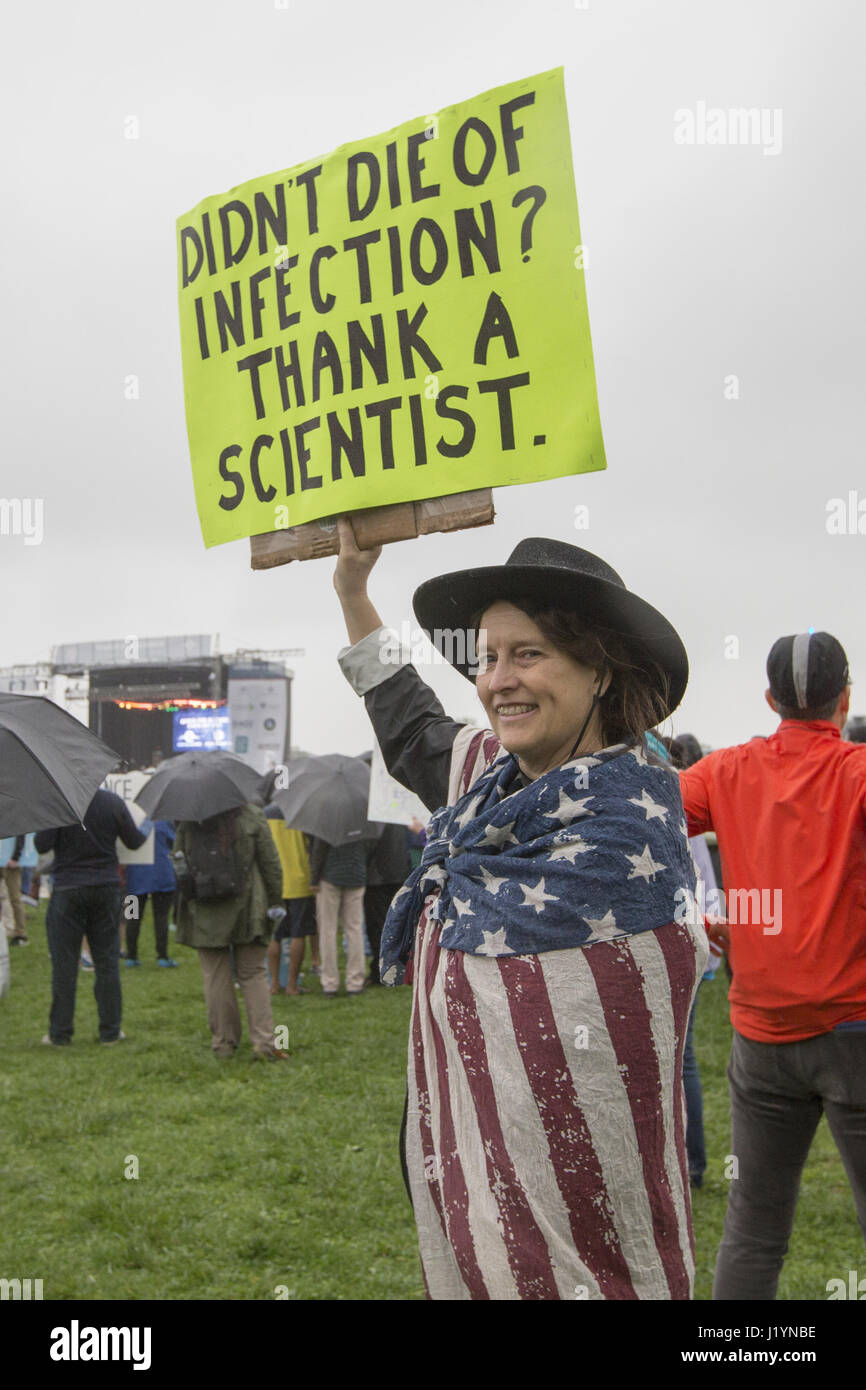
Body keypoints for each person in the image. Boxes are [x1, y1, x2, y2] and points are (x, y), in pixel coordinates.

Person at [332, 522, 708, 1300]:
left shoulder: (626, 832)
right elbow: (410, 726)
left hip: (585, 1247)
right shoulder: (491, 784)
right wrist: (352, 592)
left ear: (599, 669)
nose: (498, 679)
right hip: (468, 1201)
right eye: (489, 657)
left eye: (527, 653)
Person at [679, 631, 866, 1301]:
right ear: (843, 701)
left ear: (770, 700)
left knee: (755, 1229)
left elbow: (641, 826)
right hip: (854, 1030)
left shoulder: (725, 770)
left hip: (761, 1039)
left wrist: (692, 917)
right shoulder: (856, 772)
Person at [173, 803, 288, 1060]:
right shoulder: (252, 815)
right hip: (249, 907)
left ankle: (223, 1044)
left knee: (216, 979)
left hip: (205, 910)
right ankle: (265, 1044)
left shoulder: (189, 820)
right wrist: (276, 900)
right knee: (254, 974)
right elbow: (271, 863)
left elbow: (178, 862)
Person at [34, 789, 147, 1045]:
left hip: (68, 888)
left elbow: (42, 844)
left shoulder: (61, 802)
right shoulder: (113, 802)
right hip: (106, 886)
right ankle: (110, 1031)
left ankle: (60, 1033)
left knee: (64, 965)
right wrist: (148, 825)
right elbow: (133, 841)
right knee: (107, 962)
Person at [264, 804, 318, 995]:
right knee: (298, 934)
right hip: (300, 881)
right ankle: (292, 985)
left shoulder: (266, 814)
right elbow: (312, 846)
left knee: (274, 935)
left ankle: (274, 984)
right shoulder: (302, 812)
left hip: (275, 882)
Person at [307, 834, 369, 996]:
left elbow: (319, 850)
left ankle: (329, 982)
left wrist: (313, 878)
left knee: (327, 930)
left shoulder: (326, 820)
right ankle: (355, 982)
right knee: (354, 929)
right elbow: (370, 846)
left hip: (330, 875)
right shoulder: (363, 819)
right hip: (356, 873)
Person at [124, 819, 179, 967]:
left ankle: (131, 956)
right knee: (161, 917)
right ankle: (162, 956)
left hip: (135, 877)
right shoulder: (165, 823)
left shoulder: (132, 821)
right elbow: (174, 844)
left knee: (132, 916)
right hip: (161, 876)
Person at [364, 824, 412, 986]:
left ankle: (381, 969)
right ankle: (398, 965)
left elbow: (370, 843)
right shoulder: (397, 811)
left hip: (377, 874)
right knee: (397, 923)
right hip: (398, 871)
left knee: (378, 926)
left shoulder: (374, 812)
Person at [1, 835, 29, 945]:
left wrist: (15, 857)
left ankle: (20, 933)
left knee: (15, 898)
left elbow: (20, 835)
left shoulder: (13, 818)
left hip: (10, 862)